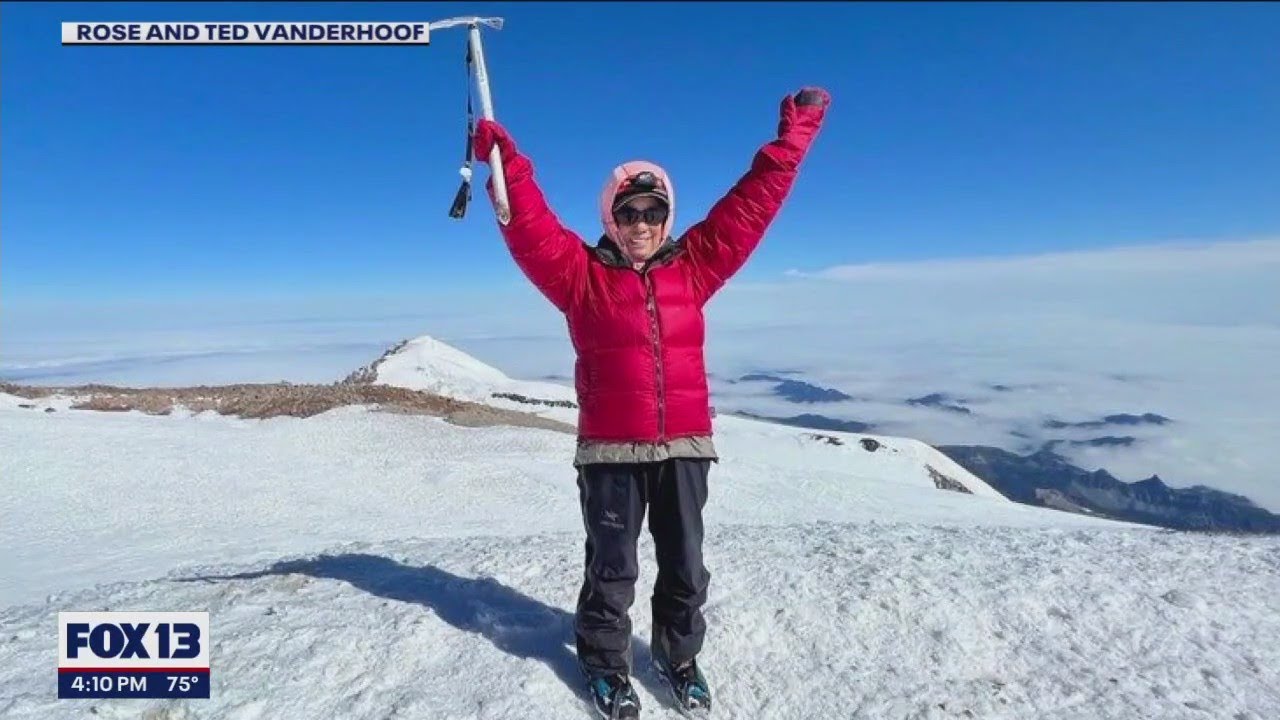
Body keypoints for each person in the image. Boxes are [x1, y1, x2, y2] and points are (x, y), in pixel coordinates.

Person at [472, 86, 830, 719]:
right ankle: (606, 664)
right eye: (629, 211)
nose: (642, 224)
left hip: (686, 445)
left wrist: (792, 139)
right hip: (610, 450)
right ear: (611, 216)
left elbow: (750, 208)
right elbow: (530, 230)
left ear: (668, 217)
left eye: (653, 211)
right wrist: (509, 166)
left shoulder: (694, 267)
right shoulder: (580, 276)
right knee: (613, 571)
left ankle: (677, 656)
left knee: (687, 568)